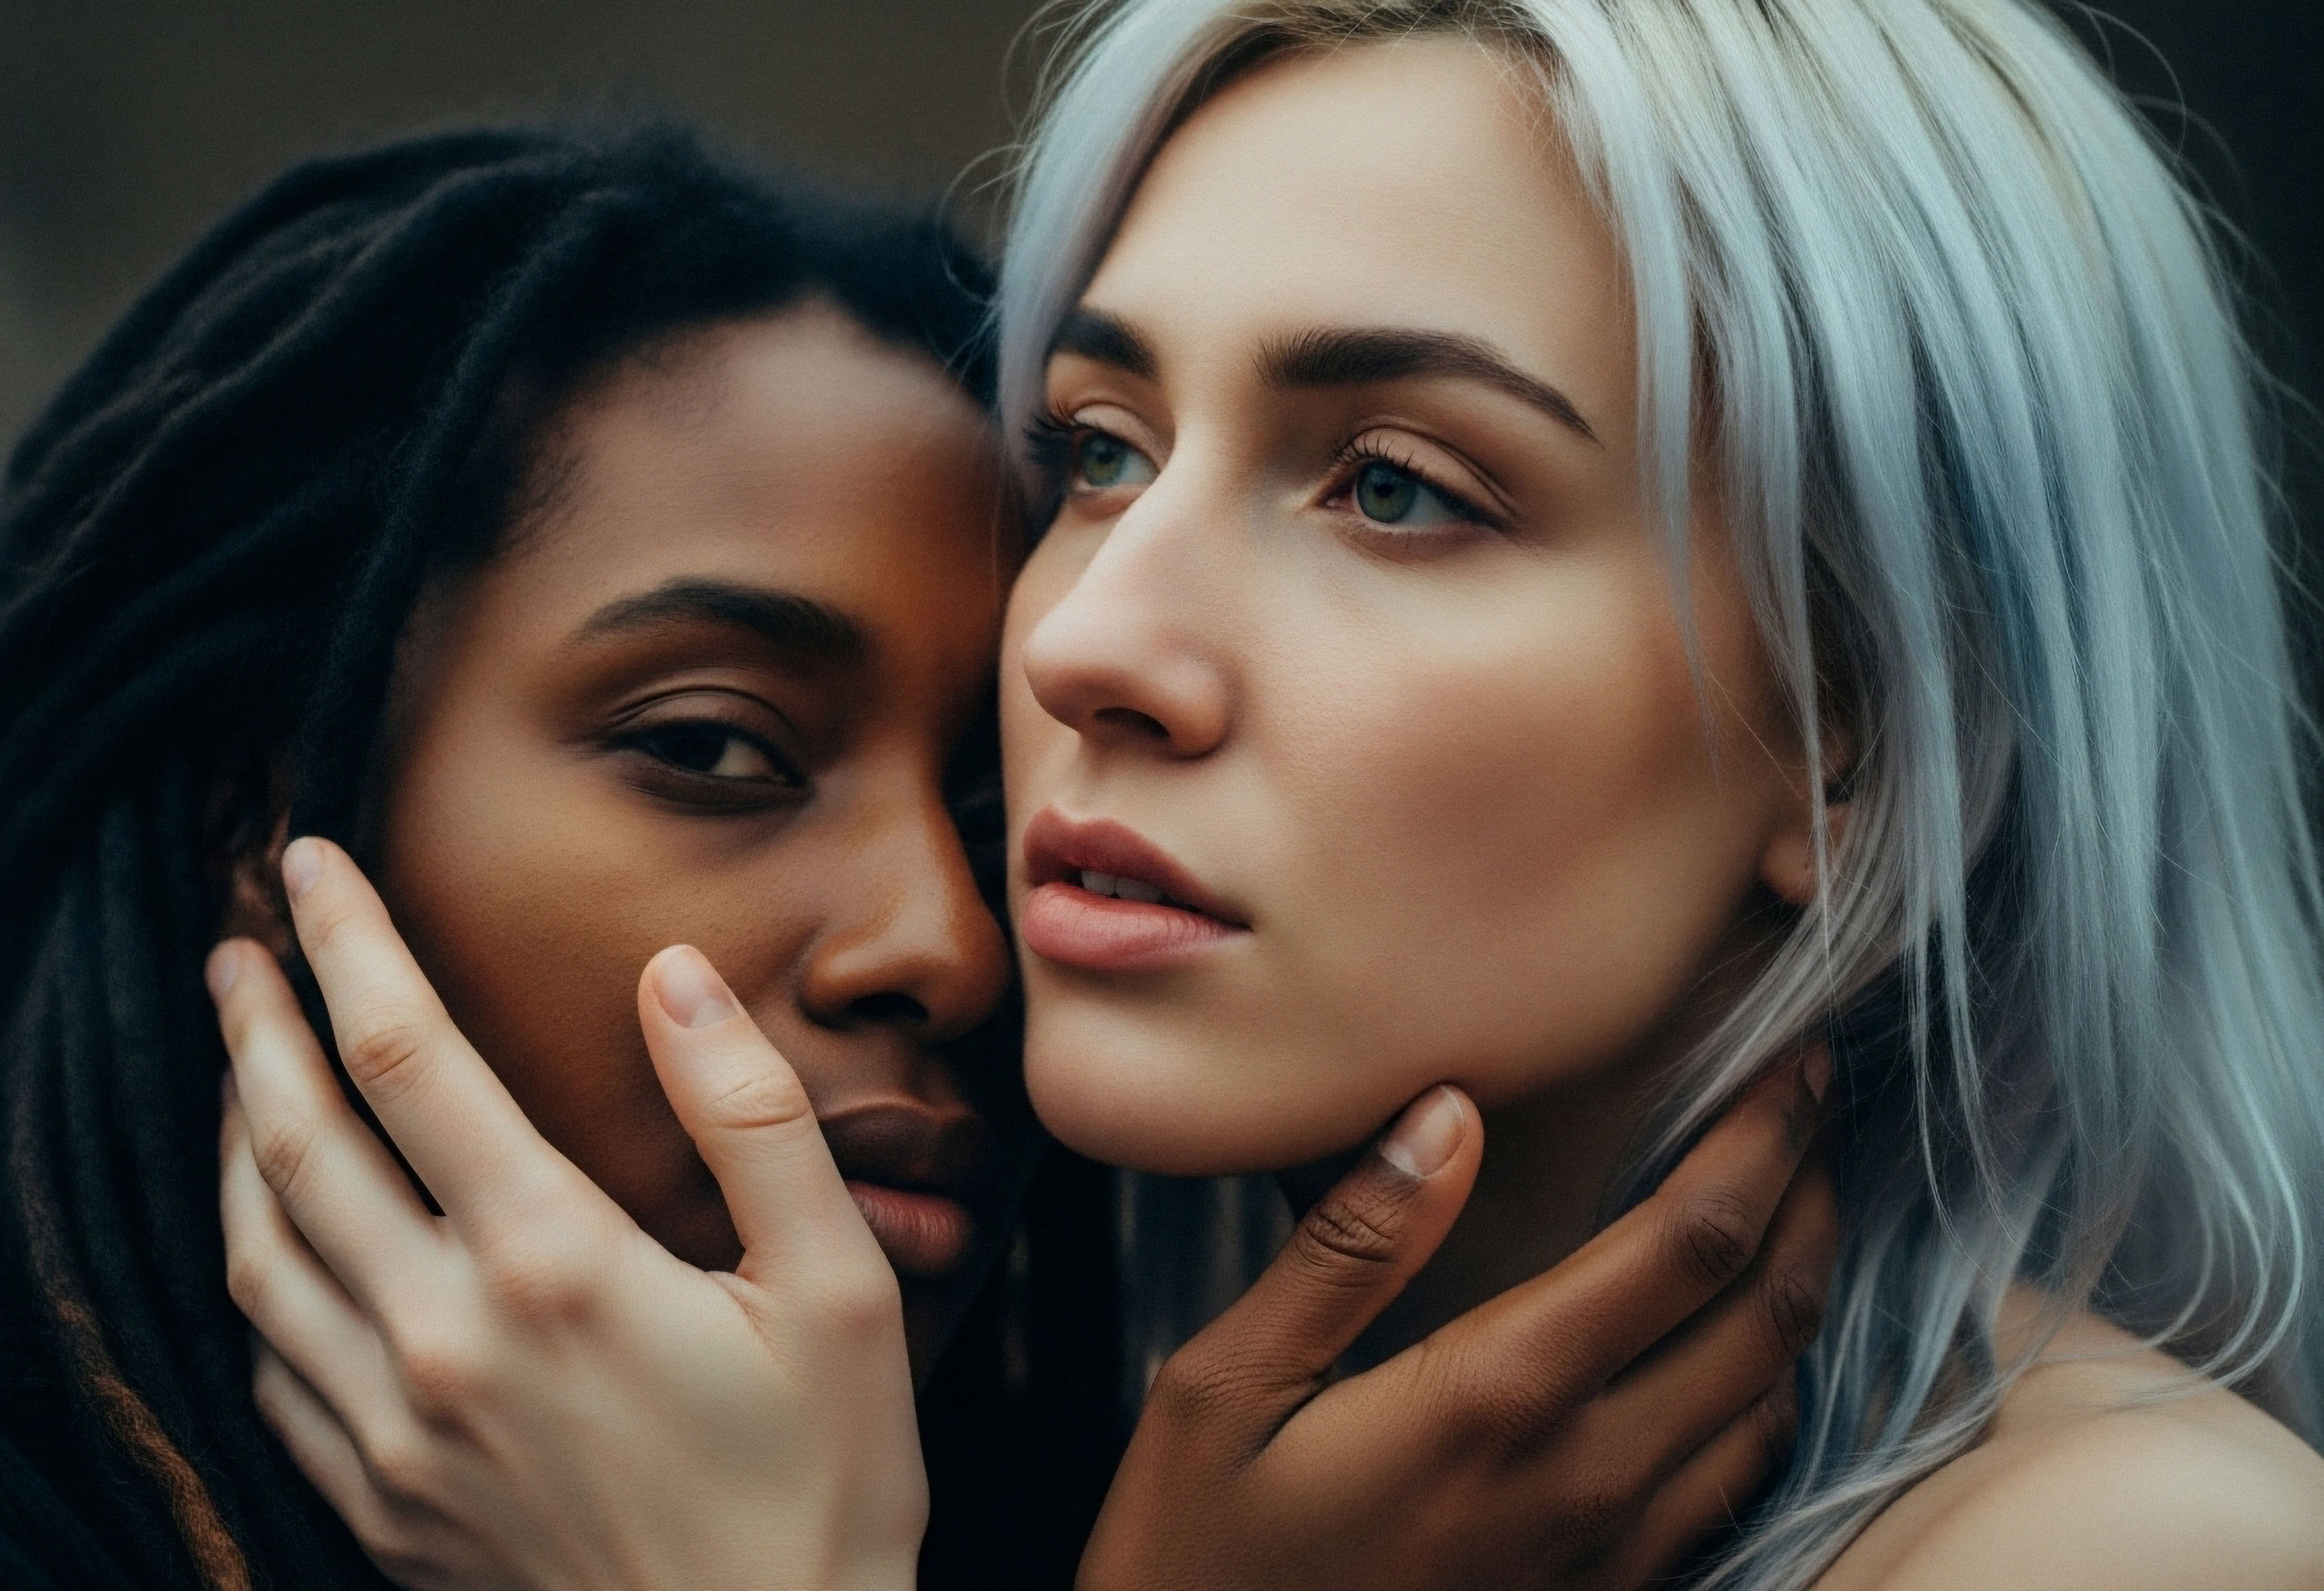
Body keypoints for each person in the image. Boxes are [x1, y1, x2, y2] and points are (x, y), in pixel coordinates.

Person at [0, 118, 1828, 1590]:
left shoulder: (1072, 1507)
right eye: (714, 747)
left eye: (997, 805)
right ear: (278, 818)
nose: (947, 945)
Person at [222, 0, 2324, 1588]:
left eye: (1395, 487)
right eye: (1104, 449)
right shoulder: (1012, 1427)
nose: (1086, 642)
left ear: (1866, 729)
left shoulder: (2141, 1547)